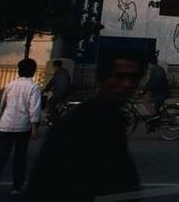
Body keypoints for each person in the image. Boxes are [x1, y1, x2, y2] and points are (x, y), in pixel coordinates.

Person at [22, 47, 144, 202]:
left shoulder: (113, 118)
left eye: (133, 78)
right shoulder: (80, 122)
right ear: (100, 79)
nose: (127, 84)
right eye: (119, 76)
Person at [0, 57, 42, 200]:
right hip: (22, 126)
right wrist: (35, 128)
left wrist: (2, 117)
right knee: (20, 157)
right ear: (33, 71)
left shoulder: (10, 84)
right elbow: (34, 109)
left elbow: (3, 104)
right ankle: (17, 186)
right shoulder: (33, 87)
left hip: (5, 125)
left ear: (19, 70)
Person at [42, 59, 71, 124]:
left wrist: (45, 89)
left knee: (50, 104)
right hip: (66, 92)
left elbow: (52, 82)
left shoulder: (58, 73)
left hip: (60, 93)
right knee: (56, 104)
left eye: (54, 67)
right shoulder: (65, 72)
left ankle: (55, 120)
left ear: (55, 66)